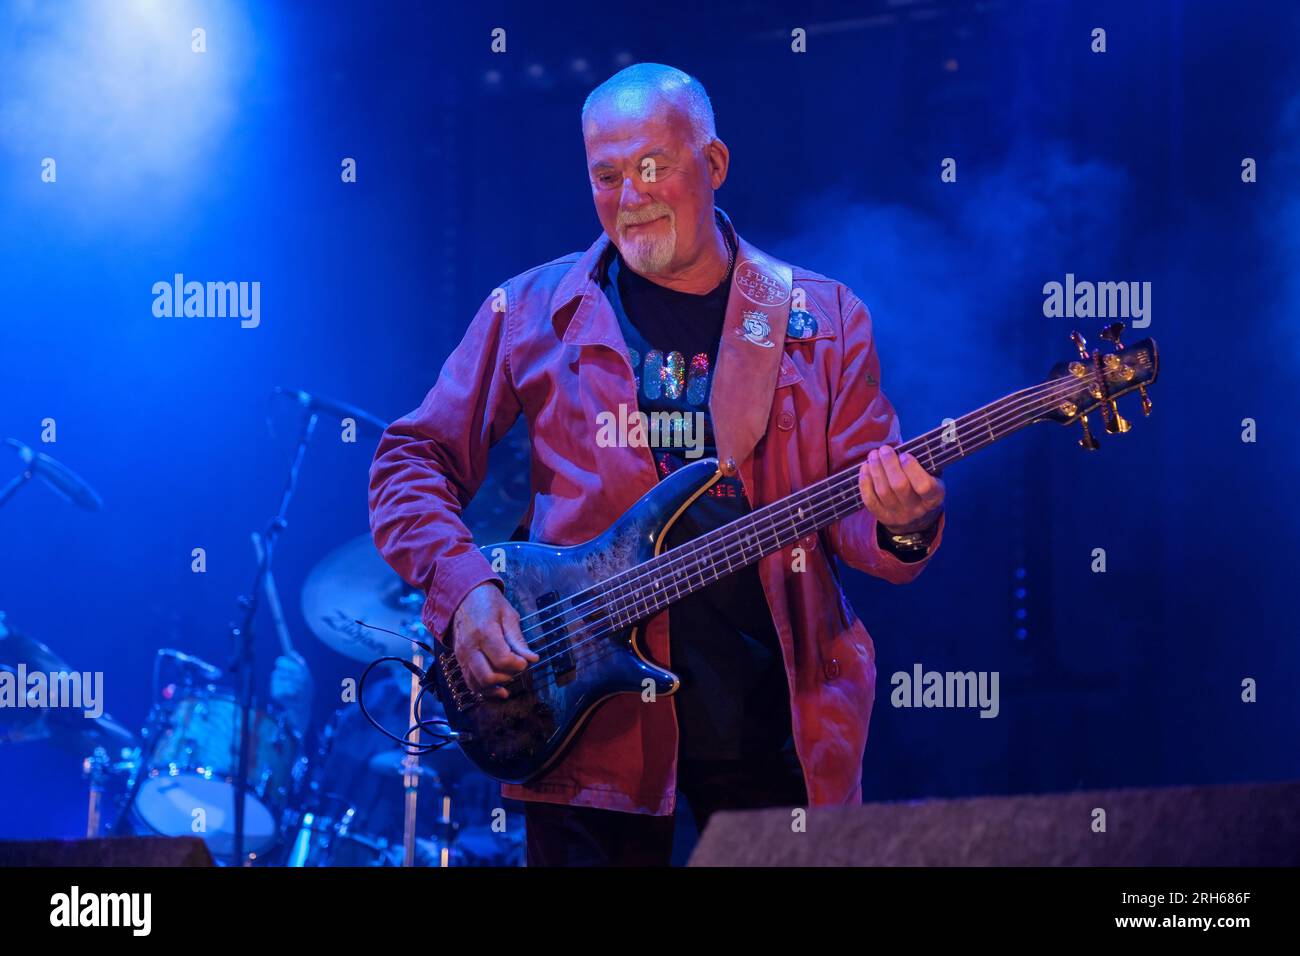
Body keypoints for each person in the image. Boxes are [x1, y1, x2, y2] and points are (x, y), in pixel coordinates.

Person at [368, 63, 945, 866]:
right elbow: (411, 459)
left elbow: (859, 522)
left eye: (652, 166)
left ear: (712, 166)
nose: (630, 195)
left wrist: (903, 525)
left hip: (775, 743)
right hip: (585, 744)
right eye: (606, 175)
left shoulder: (824, 317)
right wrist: (465, 592)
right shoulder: (529, 312)